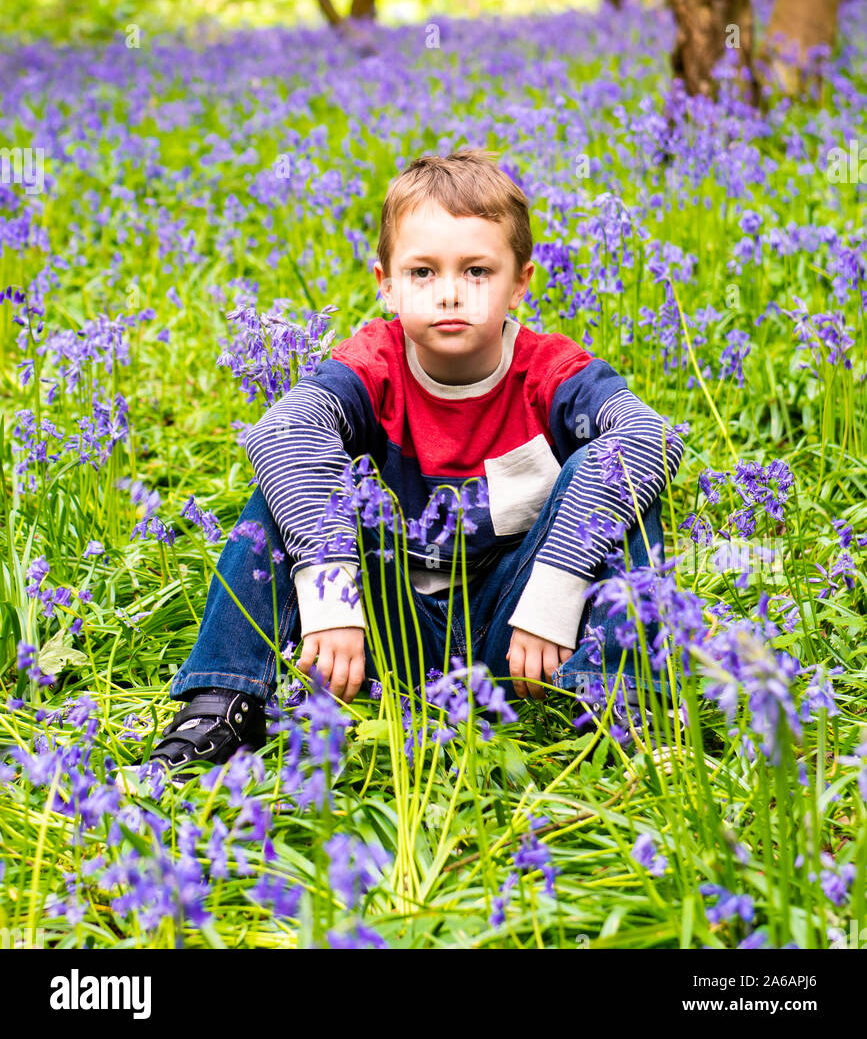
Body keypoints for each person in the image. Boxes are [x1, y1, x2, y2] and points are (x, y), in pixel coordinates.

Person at [145, 147, 684, 776]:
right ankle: (222, 703)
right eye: (423, 272)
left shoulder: (550, 371)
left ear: (521, 282)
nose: (450, 293)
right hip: (391, 631)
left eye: (478, 271)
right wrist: (331, 590)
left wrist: (555, 590)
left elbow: (648, 437)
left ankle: (618, 705)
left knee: (624, 488)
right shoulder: (375, 363)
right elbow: (284, 432)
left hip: (522, 633)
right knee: (278, 495)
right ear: (386, 283)